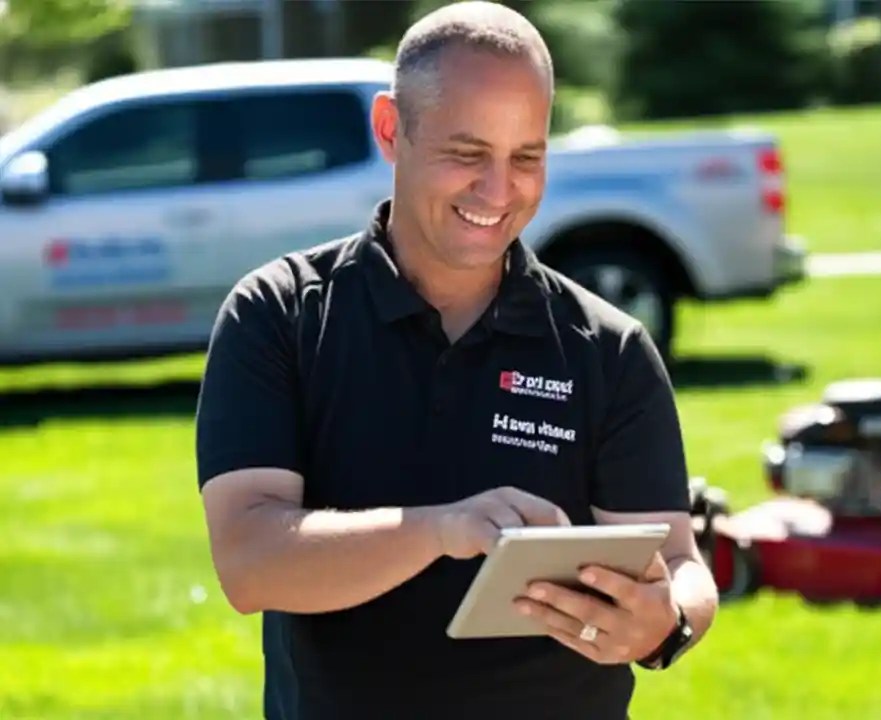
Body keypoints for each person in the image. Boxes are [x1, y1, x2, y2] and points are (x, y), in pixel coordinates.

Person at [193, 2, 718, 718]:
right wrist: (440, 530)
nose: (498, 192)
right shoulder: (280, 315)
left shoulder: (608, 348)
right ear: (390, 129)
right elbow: (250, 563)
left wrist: (667, 620)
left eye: (526, 157)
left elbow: (681, 561)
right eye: (467, 154)